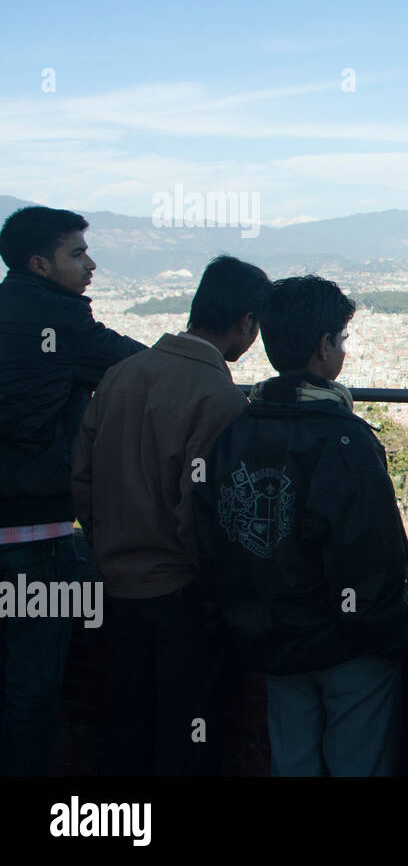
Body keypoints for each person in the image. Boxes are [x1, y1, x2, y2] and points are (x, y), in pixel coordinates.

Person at [193, 275, 408, 776]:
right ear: (324, 346)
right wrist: (386, 632)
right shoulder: (343, 438)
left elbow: (216, 536)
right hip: (347, 644)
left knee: (291, 762)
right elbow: (369, 550)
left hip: (271, 638)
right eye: (341, 338)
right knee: (358, 760)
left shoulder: (235, 433)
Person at [71, 255, 270, 775]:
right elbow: (200, 512)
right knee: (186, 732)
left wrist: (105, 546)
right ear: (246, 323)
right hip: (180, 593)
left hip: (115, 585)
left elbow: (83, 480)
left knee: (126, 721)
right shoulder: (218, 397)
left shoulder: (119, 376)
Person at [0, 205, 146, 775]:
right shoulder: (63, 322)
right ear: (41, 263)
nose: (91, 265)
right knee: (32, 690)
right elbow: (138, 366)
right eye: (78, 253)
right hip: (39, 538)